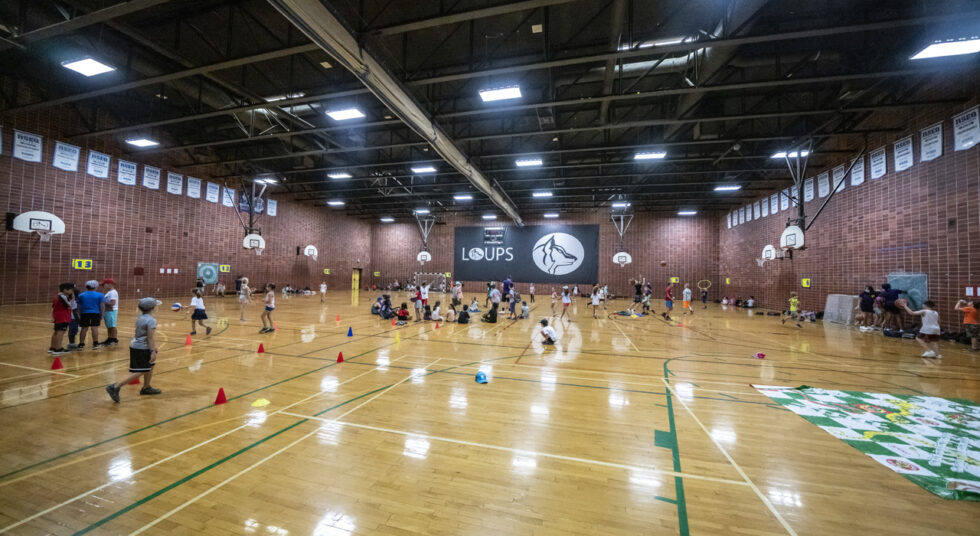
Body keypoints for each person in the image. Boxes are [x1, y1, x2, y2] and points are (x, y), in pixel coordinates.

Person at [106, 297, 161, 402]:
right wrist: (152, 351)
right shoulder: (151, 320)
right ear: (152, 308)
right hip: (142, 347)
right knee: (143, 370)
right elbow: (150, 337)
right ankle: (116, 386)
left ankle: (146, 387)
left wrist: (153, 347)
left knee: (151, 365)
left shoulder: (141, 317)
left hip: (136, 344)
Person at [77, 280, 105, 349]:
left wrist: (79, 314)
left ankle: (81, 344)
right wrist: (102, 314)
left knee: (84, 328)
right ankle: (95, 343)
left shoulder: (81, 295)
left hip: (84, 313)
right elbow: (102, 306)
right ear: (96, 287)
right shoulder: (100, 295)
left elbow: (78, 306)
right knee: (94, 328)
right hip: (95, 313)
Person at [50, 283, 74, 355]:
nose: (72, 291)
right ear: (65, 290)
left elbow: (53, 307)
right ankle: (58, 348)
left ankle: (53, 347)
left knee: (56, 332)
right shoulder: (63, 296)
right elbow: (70, 305)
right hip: (63, 317)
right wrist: (72, 298)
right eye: (71, 289)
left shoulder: (57, 296)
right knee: (61, 332)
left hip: (58, 316)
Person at [101, 278, 120, 345]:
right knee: (109, 326)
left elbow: (113, 303)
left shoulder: (112, 293)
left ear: (109, 284)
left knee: (112, 325)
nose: (103, 286)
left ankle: (114, 339)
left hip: (111, 311)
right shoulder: (109, 292)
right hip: (108, 311)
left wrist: (102, 302)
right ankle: (110, 338)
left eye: (104, 284)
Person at [67, 285, 81, 350]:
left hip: (70, 318)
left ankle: (71, 343)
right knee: (73, 331)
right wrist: (78, 319)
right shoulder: (75, 302)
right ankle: (71, 343)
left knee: (72, 331)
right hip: (73, 319)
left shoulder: (69, 301)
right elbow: (75, 311)